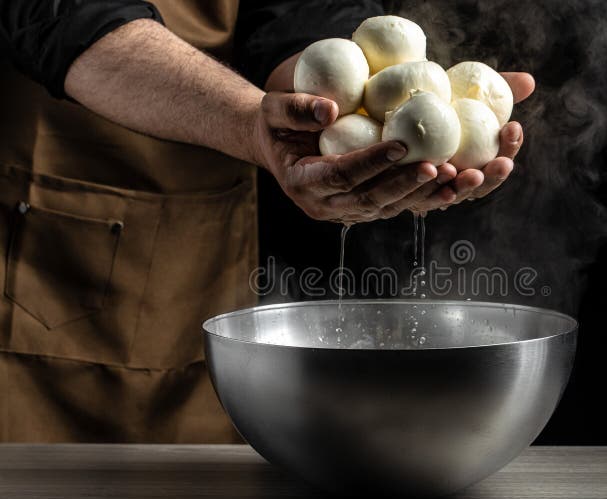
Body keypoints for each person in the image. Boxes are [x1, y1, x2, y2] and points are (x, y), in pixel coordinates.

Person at [0, 0, 535, 442]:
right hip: (48, 260)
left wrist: (317, 87)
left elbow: (293, 15)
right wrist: (251, 122)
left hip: (194, 252)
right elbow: (56, 13)